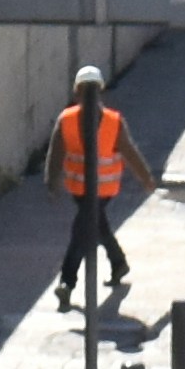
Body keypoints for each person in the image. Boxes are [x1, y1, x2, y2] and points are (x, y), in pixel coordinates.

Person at [51, 67, 137, 309]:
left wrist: (146, 178)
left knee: (80, 231)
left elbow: (128, 150)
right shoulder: (68, 119)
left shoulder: (111, 120)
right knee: (97, 226)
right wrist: (52, 180)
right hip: (80, 188)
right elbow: (56, 151)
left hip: (102, 189)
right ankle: (118, 262)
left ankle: (67, 283)